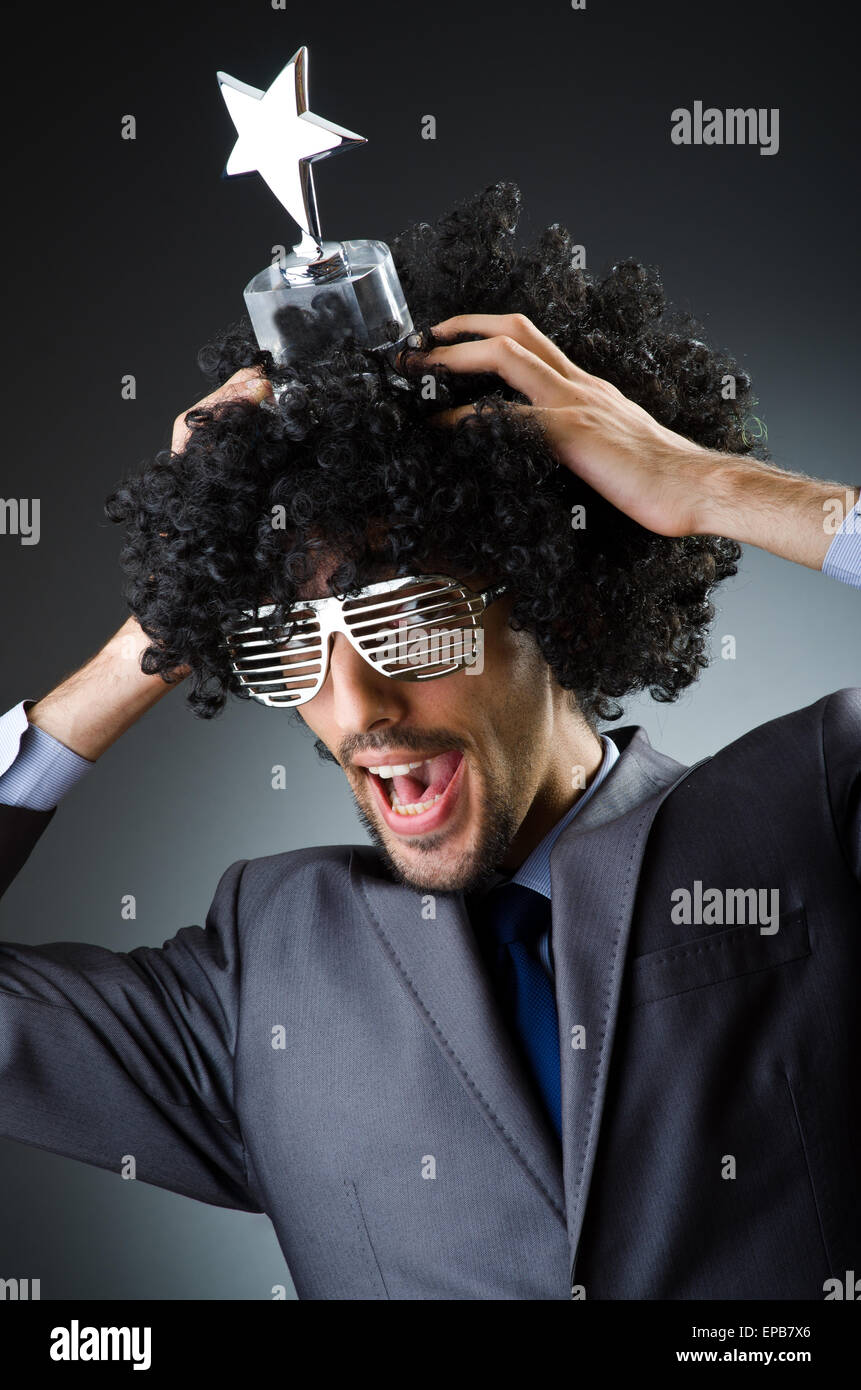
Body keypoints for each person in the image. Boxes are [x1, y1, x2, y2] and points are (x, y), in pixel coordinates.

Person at [1, 184, 858, 1300]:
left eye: (406, 618)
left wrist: (710, 487)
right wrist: (151, 637)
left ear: (564, 604)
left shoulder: (812, 813)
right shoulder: (258, 974)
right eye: (285, 647)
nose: (355, 709)